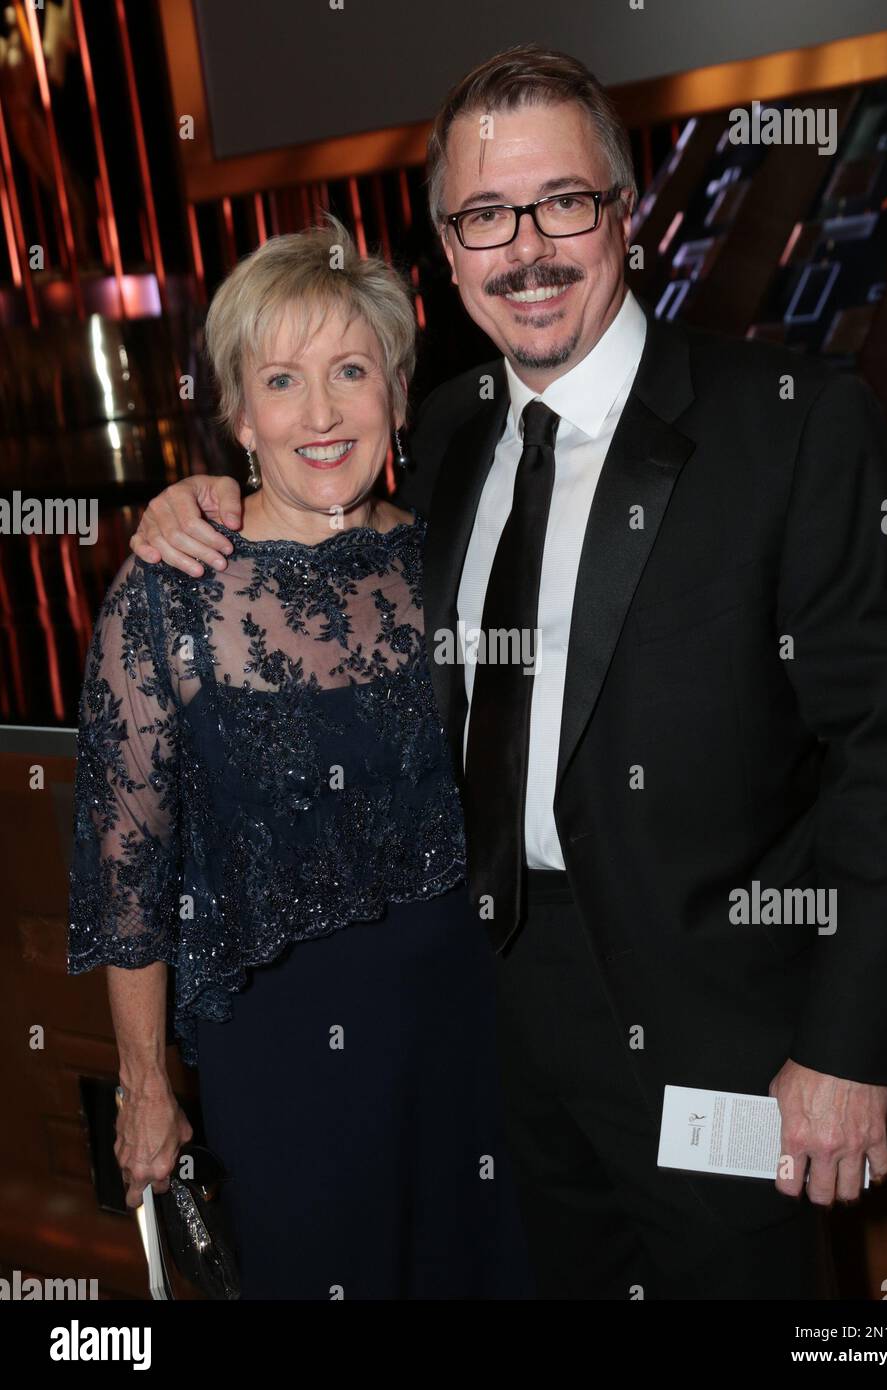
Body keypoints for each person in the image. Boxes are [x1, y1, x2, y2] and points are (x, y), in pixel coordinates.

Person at [128, 46, 887, 1300]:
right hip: (497, 1032)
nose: (527, 248)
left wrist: (847, 1050)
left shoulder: (790, 421)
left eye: (561, 202)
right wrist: (203, 502)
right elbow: (317, 506)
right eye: (484, 215)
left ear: (624, 213)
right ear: (449, 248)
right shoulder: (457, 427)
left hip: (726, 1039)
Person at [67, 215, 532, 1300]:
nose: (320, 416)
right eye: (281, 381)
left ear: (398, 393)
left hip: (477, 1037)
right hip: (282, 1063)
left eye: (350, 371)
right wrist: (145, 1081)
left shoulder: (454, 558)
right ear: (237, 412)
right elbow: (127, 869)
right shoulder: (168, 592)